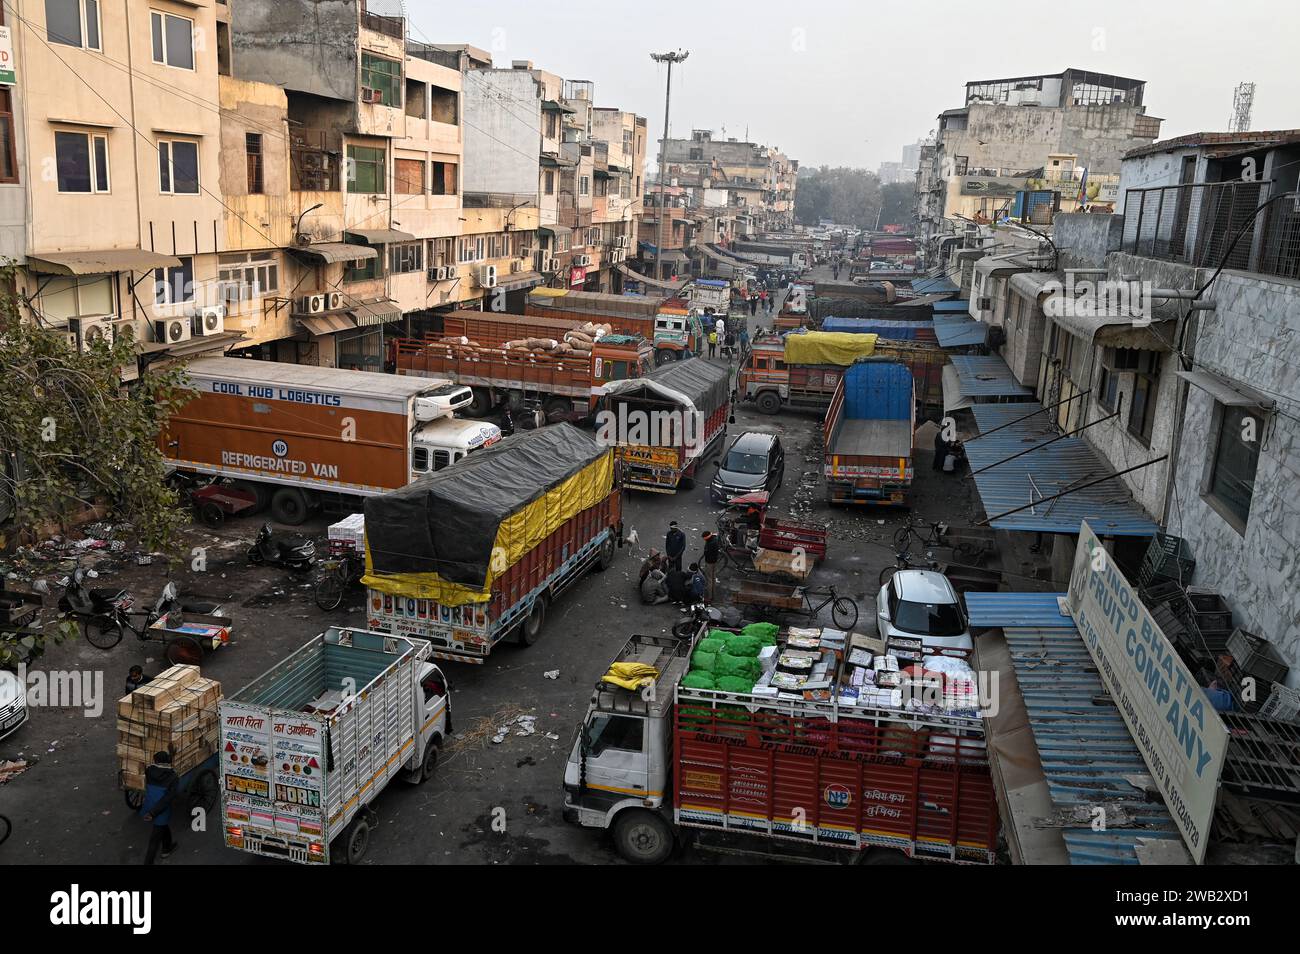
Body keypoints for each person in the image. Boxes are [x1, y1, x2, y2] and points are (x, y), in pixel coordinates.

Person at [141, 751, 179, 864]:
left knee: (163, 826)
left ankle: (167, 847)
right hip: (159, 810)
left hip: (149, 805)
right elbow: (167, 799)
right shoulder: (173, 776)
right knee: (154, 840)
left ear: (155, 761)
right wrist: (153, 813)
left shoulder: (148, 771)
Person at [701, 530, 721, 601]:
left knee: (709, 579)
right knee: (713, 578)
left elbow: (706, 552)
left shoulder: (710, 544)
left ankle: (709, 597)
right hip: (715, 561)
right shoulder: (715, 539)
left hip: (709, 562)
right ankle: (713, 594)